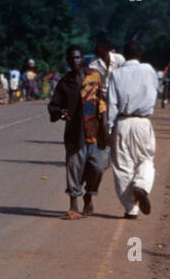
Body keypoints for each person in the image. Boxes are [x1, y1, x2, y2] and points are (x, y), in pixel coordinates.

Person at [47, 44, 109, 219]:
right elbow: (54, 107)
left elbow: (102, 103)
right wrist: (60, 113)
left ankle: (90, 195)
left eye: (78, 57)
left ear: (83, 59)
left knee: (98, 167)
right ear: (67, 61)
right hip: (75, 134)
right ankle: (73, 206)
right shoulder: (64, 83)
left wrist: (106, 129)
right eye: (71, 58)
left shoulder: (94, 77)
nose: (75, 61)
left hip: (95, 131)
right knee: (74, 168)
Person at [107, 40, 159, 220]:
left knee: (123, 166)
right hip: (143, 122)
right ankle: (142, 185)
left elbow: (112, 104)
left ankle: (131, 209)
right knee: (146, 159)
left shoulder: (117, 74)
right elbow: (154, 92)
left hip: (122, 122)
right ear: (140, 55)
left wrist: (108, 129)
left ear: (124, 54)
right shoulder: (149, 71)